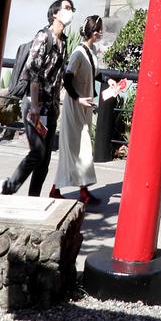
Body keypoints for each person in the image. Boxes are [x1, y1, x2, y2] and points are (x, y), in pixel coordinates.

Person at [0, 0, 74, 198]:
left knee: (45, 158)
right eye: (67, 8)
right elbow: (32, 71)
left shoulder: (63, 42)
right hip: (34, 104)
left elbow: (58, 75)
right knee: (37, 152)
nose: (70, 12)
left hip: (50, 107)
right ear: (55, 13)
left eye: (72, 8)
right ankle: (9, 186)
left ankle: (34, 198)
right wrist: (34, 105)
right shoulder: (43, 37)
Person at [56, 13, 105, 207]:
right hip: (75, 106)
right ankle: (82, 193)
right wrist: (78, 99)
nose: (102, 33)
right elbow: (67, 80)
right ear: (94, 32)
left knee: (79, 148)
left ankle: (58, 189)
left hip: (84, 106)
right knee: (78, 147)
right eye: (100, 30)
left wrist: (109, 80)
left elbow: (95, 73)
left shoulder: (92, 51)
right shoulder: (78, 53)